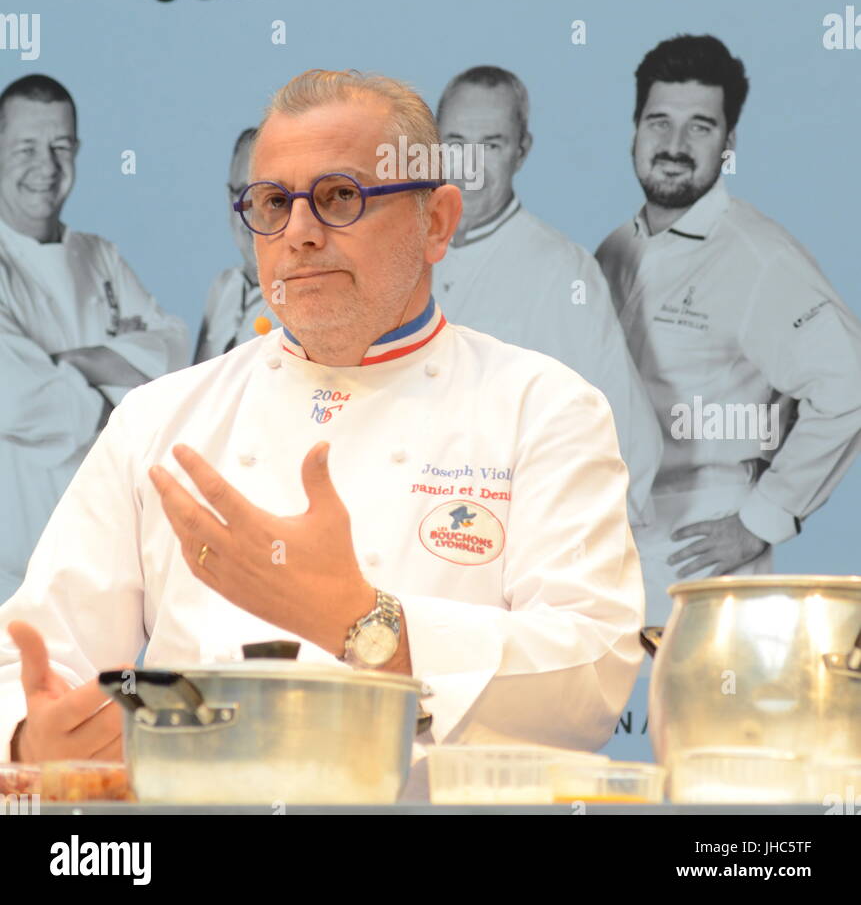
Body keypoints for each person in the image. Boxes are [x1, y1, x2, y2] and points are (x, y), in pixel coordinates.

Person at [0, 69, 644, 762]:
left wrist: (364, 624)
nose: (298, 233)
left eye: (340, 197)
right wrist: (31, 735)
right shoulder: (157, 421)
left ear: (435, 222)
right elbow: (34, 658)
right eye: (272, 203)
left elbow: (590, 673)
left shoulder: (541, 407)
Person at [596, 35, 861, 623]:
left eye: (700, 127)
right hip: (600, 554)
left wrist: (762, 519)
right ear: (635, 130)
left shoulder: (757, 258)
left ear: (729, 143)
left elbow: (849, 385)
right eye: (658, 122)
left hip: (696, 563)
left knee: (689, 716)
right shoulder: (615, 249)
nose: (673, 145)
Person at [435, 65, 661, 530]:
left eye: (491, 145)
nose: (469, 165)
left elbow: (630, 445)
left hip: (505, 556)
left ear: (522, 151)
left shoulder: (560, 272)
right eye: (455, 143)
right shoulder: (391, 256)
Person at [0, 75, 188, 603]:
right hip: (11, 575)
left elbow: (173, 357)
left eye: (61, 147)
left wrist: (67, 362)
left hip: (103, 570)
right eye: (26, 148)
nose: (47, 166)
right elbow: (19, 400)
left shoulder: (99, 255)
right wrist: (120, 383)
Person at [193, 128, 279, 361]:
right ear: (229, 199)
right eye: (244, 195)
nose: (256, 215)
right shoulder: (223, 288)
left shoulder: (310, 296)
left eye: (271, 198)